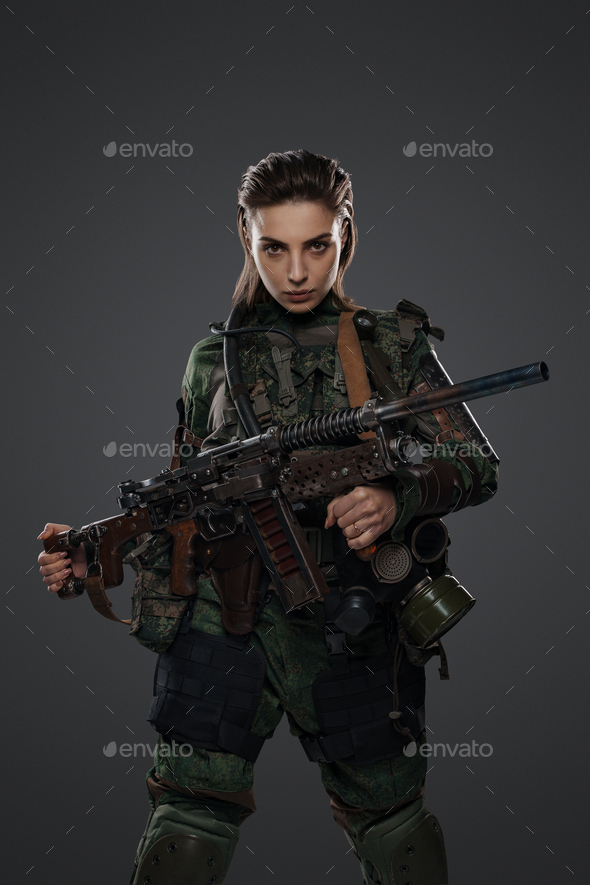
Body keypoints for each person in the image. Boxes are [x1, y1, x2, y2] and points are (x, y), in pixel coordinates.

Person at [38, 149, 499, 885]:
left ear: (346, 233)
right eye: (274, 246)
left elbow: (479, 464)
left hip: (352, 619)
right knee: (189, 818)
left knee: (393, 821)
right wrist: (87, 556)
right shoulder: (209, 360)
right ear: (245, 237)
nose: (295, 272)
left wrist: (396, 494)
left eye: (317, 244)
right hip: (224, 617)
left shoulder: (390, 344)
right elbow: (179, 496)